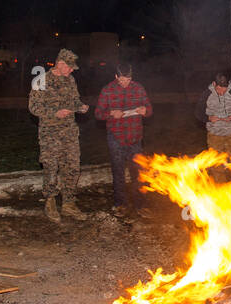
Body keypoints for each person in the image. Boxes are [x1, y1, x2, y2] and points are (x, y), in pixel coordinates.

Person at [29, 48, 89, 221]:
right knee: (51, 167)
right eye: (70, 67)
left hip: (69, 131)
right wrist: (55, 112)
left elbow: (75, 100)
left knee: (72, 167)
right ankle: (50, 202)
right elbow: (33, 107)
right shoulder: (41, 80)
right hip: (50, 133)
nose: (72, 71)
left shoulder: (70, 80)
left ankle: (69, 203)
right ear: (60, 64)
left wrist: (80, 106)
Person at [95, 62, 153, 218]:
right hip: (116, 137)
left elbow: (149, 109)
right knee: (118, 172)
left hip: (135, 138)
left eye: (127, 79)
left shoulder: (138, 88)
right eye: (121, 79)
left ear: (131, 77)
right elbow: (98, 113)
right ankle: (120, 204)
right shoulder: (107, 90)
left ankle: (141, 205)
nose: (125, 82)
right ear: (116, 76)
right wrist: (111, 113)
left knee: (138, 173)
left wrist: (145, 111)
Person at [198, 73, 231, 155]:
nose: (222, 93)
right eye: (219, 90)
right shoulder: (206, 94)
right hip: (214, 136)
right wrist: (209, 118)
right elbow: (198, 113)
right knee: (217, 165)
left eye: (224, 90)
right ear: (214, 84)